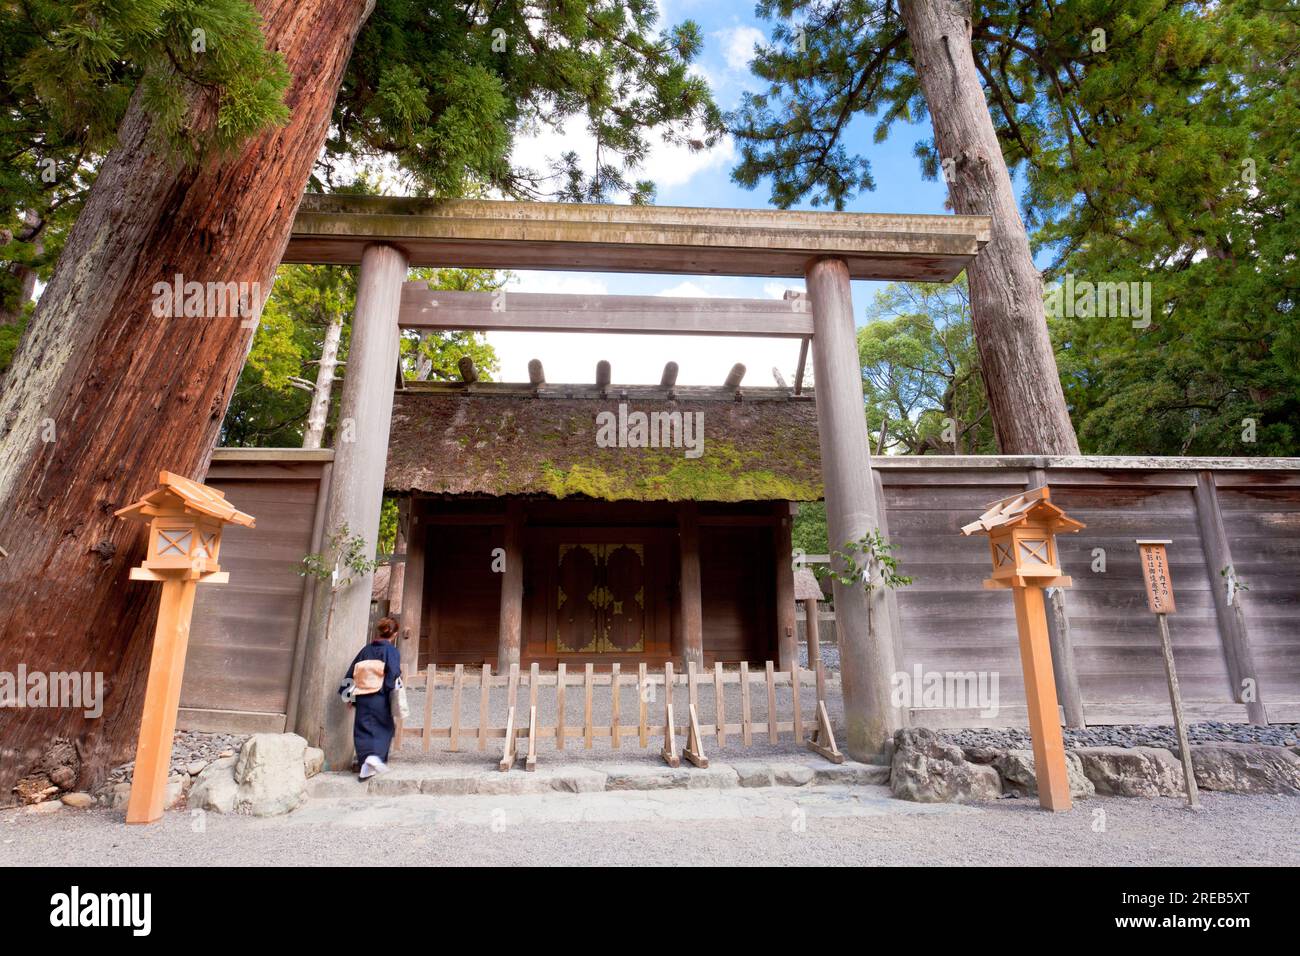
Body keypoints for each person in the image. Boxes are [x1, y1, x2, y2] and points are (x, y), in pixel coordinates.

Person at [340, 616, 402, 780]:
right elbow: (394, 672)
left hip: (362, 696)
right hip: (380, 695)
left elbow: (352, 672)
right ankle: (374, 757)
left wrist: (349, 697)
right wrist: (388, 690)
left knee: (363, 727)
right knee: (384, 727)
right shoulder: (391, 651)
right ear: (394, 634)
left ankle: (366, 764)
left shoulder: (365, 650)